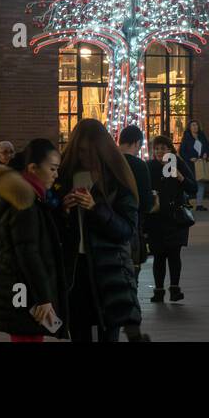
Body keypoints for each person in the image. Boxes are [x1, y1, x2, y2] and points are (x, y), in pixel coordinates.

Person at [57, 119, 141, 342]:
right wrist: (63, 211)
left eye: (89, 151)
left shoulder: (117, 179)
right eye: (80, 150)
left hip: (109, 270)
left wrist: (96, 208)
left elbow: (126, 231)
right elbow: (53, 229)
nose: (84, 156)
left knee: (108, 332)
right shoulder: (65, 176)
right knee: (79, 331)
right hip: (76, 268)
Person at [0, 138, 68, 341]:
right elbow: (28, 253)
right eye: (53, 169)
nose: (56, 175)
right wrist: (43, 298)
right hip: (24, 287)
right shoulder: (25, 202)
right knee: (27, 335)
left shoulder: (22, 195)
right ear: (33, 168)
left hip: (17, 285)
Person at [146, 135, 198, 300]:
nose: (159, 151)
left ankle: (175, 289)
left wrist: (180, 177)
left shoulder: (178, 163)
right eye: (156, 148)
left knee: (174, 255)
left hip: (175, 218)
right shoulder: (150, 166)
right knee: (158, 256)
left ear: (170, 149)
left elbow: (193, 188)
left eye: (163, 148)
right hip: (156, 218)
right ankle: (159, 291)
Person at [118, 125, 154, 295]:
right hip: (132, 225)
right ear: (137, 143)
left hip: (107, 224)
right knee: (132, 276)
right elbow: (146, 203)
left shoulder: (106, 161)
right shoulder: (139, 166)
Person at [179, 119, 209, 211]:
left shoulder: (202, 136)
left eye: (196, 125)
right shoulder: (186, 137)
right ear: (189, 127)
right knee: (188, 182)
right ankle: (186, 202)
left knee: (201, 182)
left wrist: (206, 153)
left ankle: (199, 204)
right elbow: (182, 151)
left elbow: (208, 147)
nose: (195, 127)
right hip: (190, 164)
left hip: (201, 163)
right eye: (193, 125)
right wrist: (189, 158)